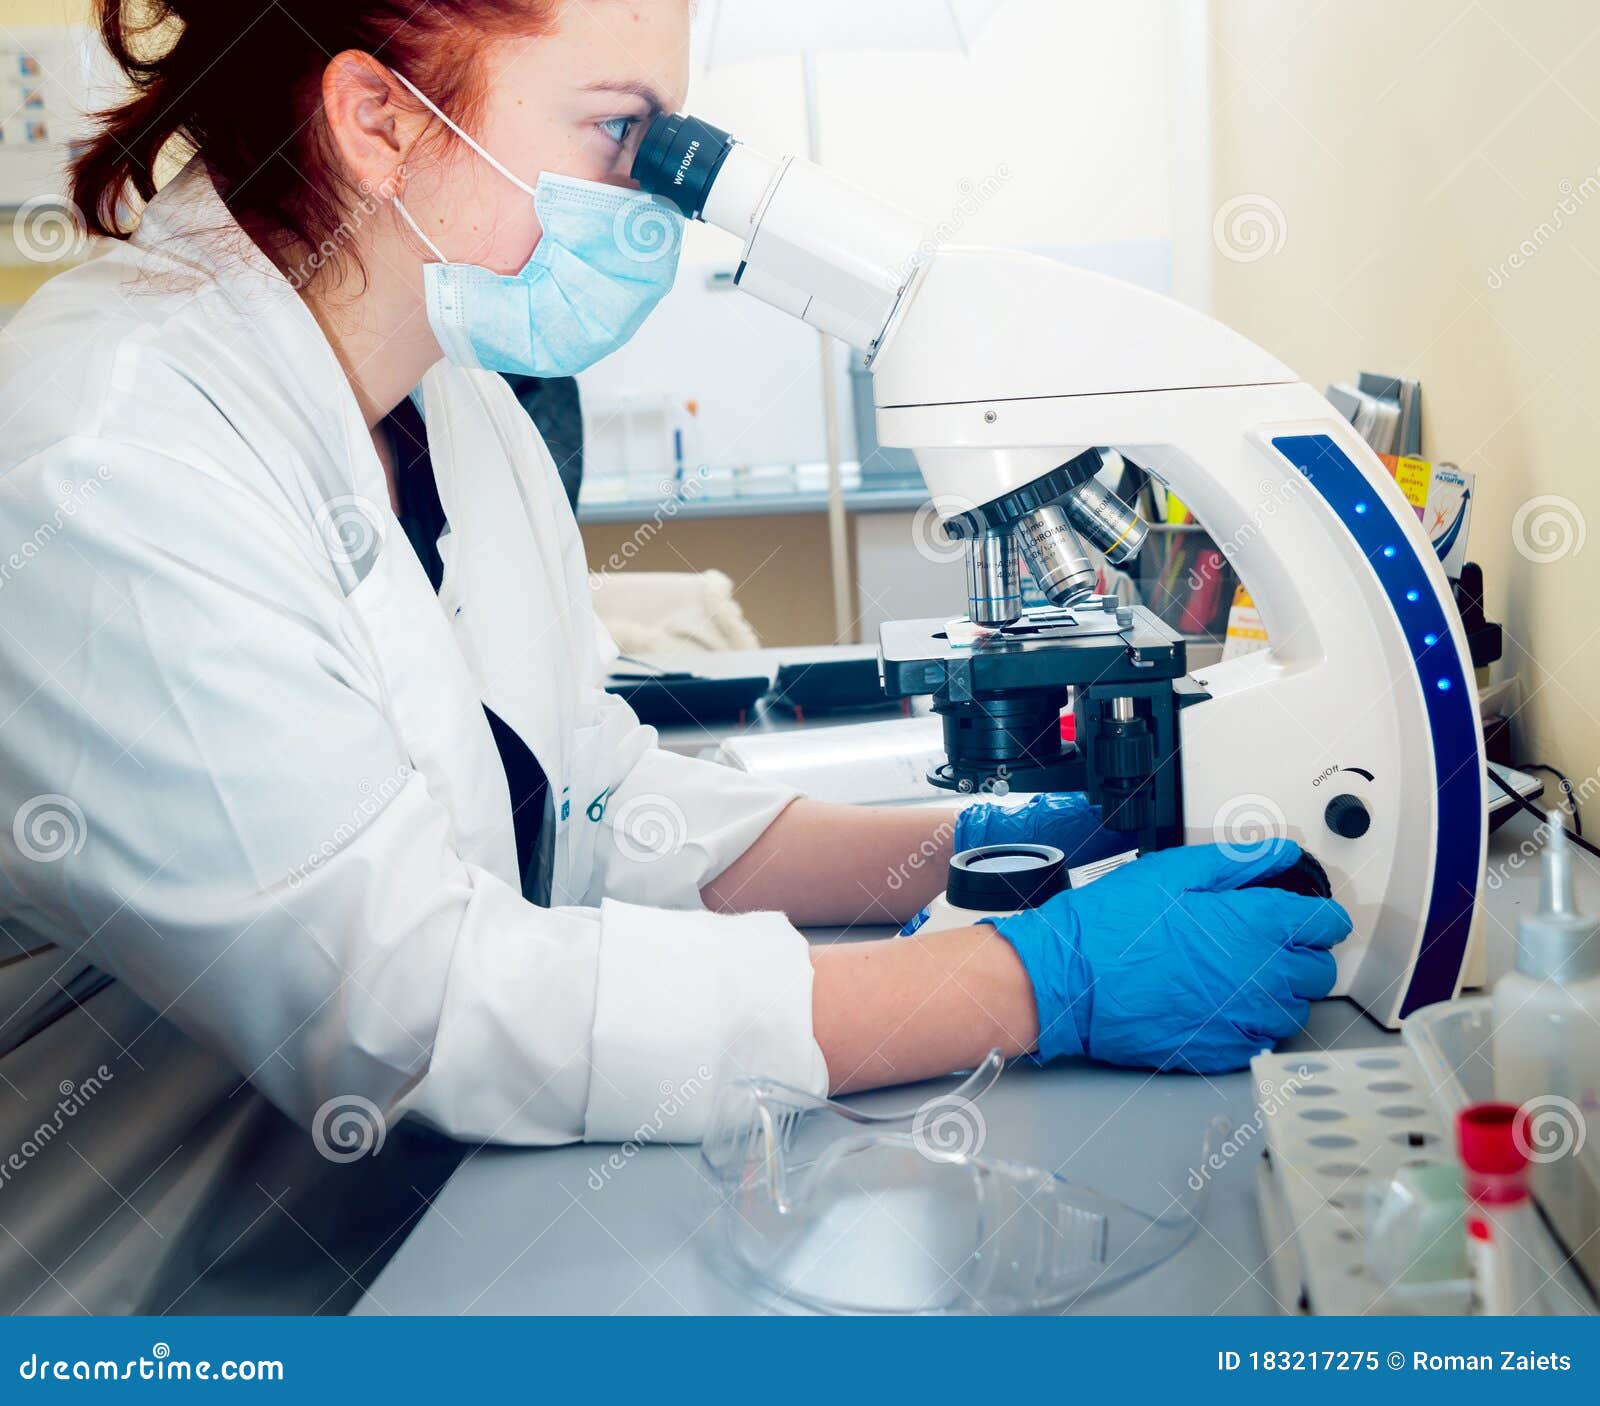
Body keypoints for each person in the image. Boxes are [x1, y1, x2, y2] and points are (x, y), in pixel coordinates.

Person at [0, 0, 1348, 1163]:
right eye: (618, 132)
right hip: (195, 1268)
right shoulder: (109, 454)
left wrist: (972, 853)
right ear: (380, 121)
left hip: (427, 1206)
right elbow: (412, 1006)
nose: (653, 200)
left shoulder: (455, 402)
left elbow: (596, 800)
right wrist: (1026, 983)